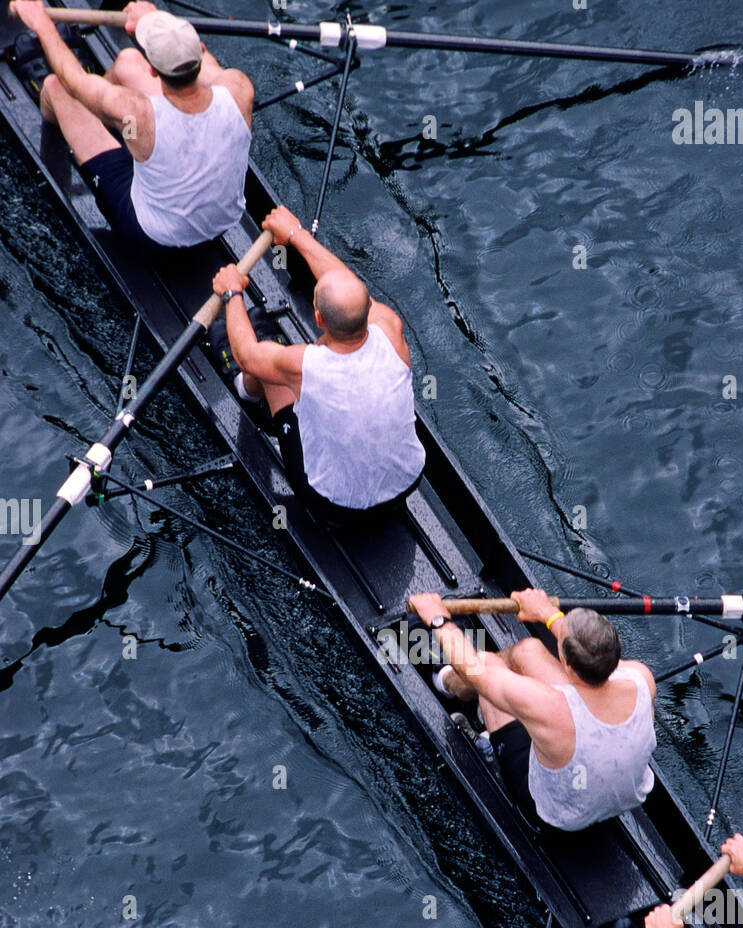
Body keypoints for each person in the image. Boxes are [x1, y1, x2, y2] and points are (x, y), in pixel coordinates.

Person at [210, 205, 425, 524]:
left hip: (334, 504)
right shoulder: (390, 327)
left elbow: (247, 355)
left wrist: (231, 292)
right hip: (408, 483)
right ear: (368, 308)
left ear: (319, 318)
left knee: (269, 362)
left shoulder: (301, 365)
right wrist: (296, 235)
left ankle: (245, 393)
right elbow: (345, 283)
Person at [11, 1, 253, 255]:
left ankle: (52, 135)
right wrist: (158, 21)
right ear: (201, 51)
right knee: (127, 61)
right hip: (222, 223)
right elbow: (204, 66)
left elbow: (73, 81)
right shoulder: (239, 87)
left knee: (55, 87)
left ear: (153, 69)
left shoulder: (137, 112)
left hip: (152, 235)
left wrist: (41, 24)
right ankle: (106, 113)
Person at [408, 588, 657, 832]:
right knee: (529, 651)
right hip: (609, 792)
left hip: (556, 817)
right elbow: (585, 647)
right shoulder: (641, 677)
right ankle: (463, 695)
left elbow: (476, 672)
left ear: (567, 666)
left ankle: (447, 684)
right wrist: (547, 612)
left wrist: (438, 619)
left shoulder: (549, 706)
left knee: (487, 667)